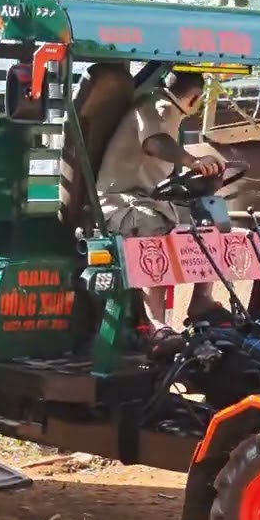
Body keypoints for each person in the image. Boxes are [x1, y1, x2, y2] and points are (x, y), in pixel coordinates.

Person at [94, 70, 224, 359]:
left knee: (208, 220)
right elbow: (155, 143)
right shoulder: (158, 106)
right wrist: (193, 161)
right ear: (195, 98)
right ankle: (157, 324)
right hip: (117, 202)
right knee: (155, 225)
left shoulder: (167, 112)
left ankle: (202, 301)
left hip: (147, 199)